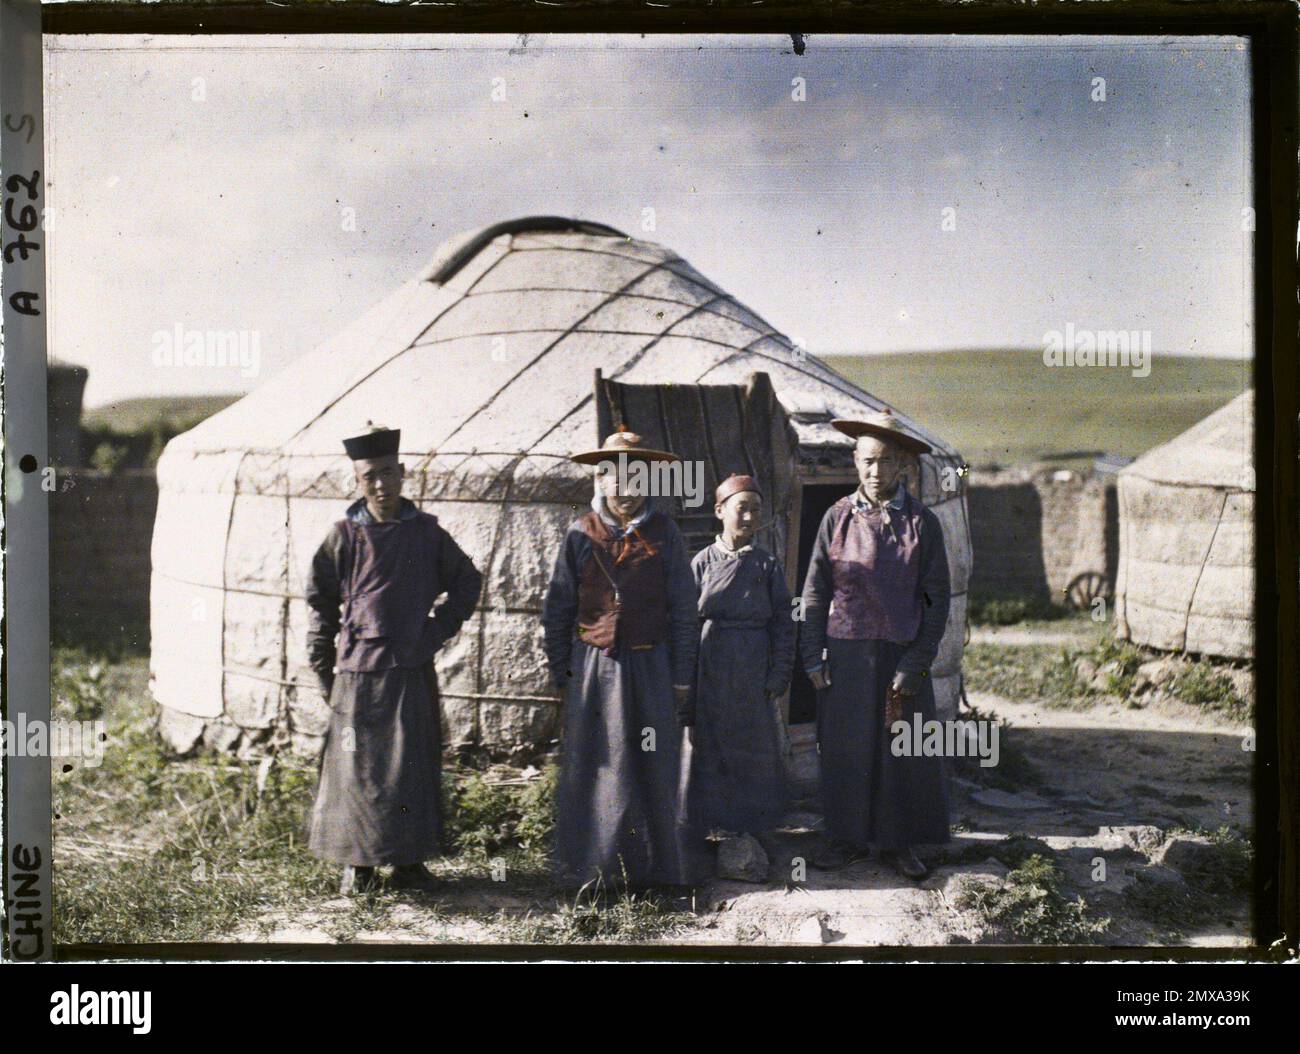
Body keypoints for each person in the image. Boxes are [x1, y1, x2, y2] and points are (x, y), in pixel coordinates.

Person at [305, 425, 482, 895]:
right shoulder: (342, 536)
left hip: (409, 666)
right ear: (357, 482)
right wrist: (323, 666)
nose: (381, 484)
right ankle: (357, 865)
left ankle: (407, 863)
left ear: (402, 474)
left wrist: (435, 631)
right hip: (358, 667)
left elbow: (468, 583)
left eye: (388, 473)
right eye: (369, 477)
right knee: (356, 768)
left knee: (410, 766)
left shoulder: (426, 534)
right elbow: (319, 600)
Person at [540, 428, 701, 891]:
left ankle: (655, 872)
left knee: (653, 762)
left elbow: (684, 609)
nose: (626, 490)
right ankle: (594, 873)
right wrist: (562, 671)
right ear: (602, 480)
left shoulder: (665, 534)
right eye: (616, 477)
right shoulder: (579, 534)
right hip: (595, 668)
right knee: (600, 765)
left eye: (637, 477)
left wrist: (681, 676)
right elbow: (558, 608)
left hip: (651, 667)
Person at [799, 410, 951, 880]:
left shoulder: (923, 524)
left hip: (899, 656)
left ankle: (896, 844)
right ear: (854, 460)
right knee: (847, 748)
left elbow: (937, 599)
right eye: (867, 461)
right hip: (846, 654)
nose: (875, 472)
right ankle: (846, 839)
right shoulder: (836, 518)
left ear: (902, 465)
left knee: (900, 751)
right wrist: (811, 655)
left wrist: (917, 661)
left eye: (885, 462)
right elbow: (814, 591)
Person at [687, 474, 795, 842]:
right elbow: (685, 623)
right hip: (711, 661)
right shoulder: (702, 563)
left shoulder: (767, 565)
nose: (749, 517)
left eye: (756, 510)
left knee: (752, 744)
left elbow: (784, 622)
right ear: (720, 511)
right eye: (741, 509)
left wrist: (779, 673)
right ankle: (712, 823)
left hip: (753, 662)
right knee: (711, 741)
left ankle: (753, 825)